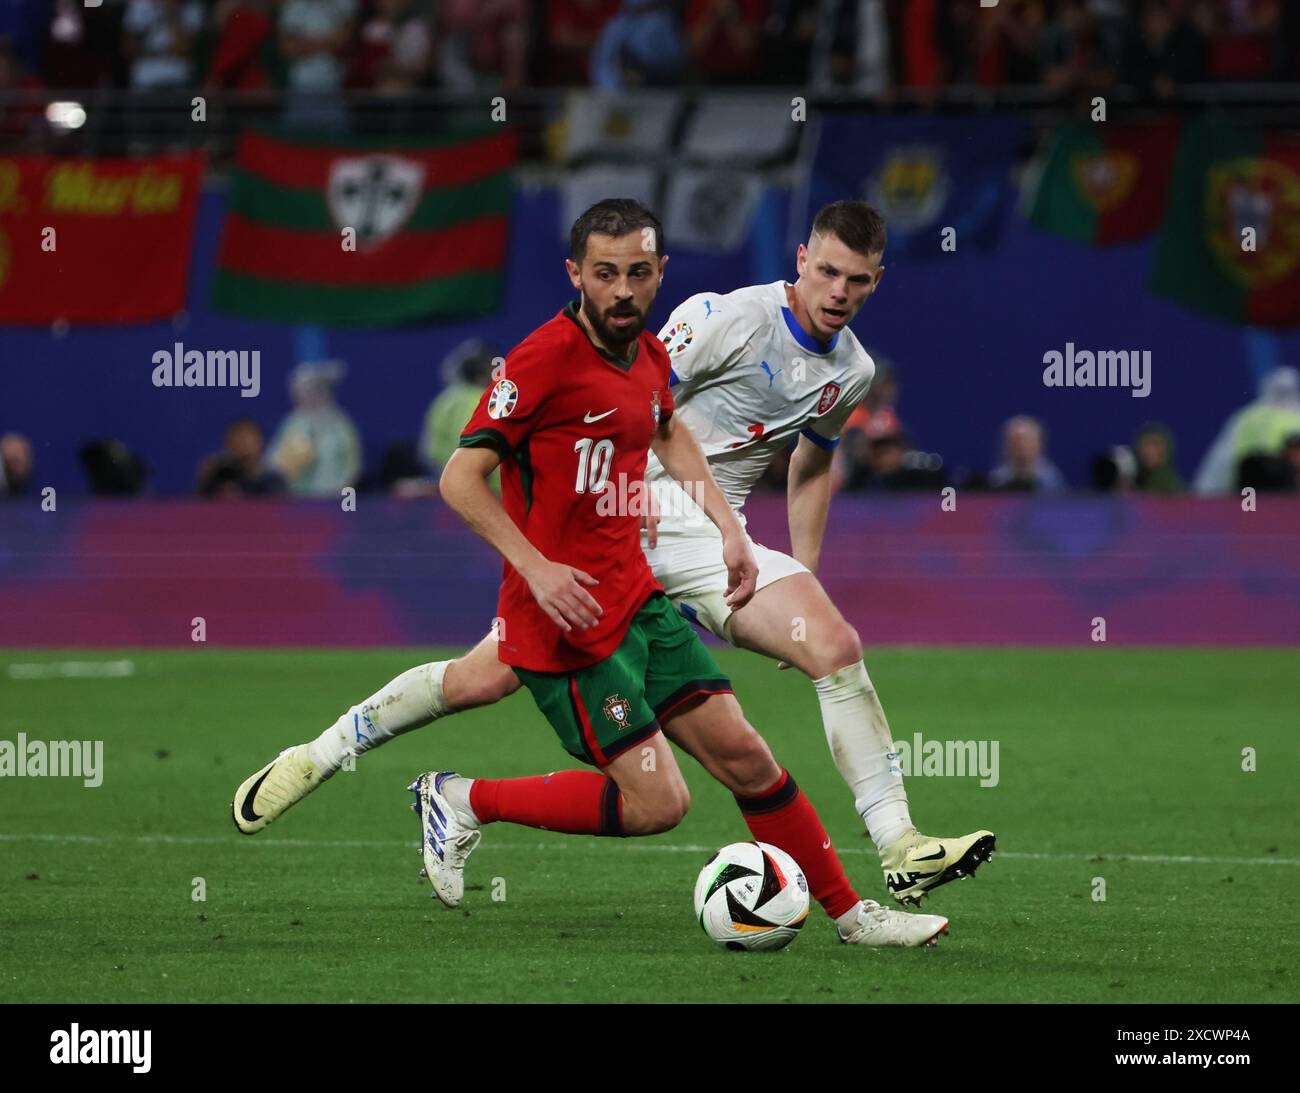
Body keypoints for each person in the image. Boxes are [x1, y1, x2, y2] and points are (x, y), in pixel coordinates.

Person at [233, 200, 995, 909]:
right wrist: (563, 533)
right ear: (800, 259)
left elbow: (808, 459)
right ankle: (329, 751)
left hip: (697, 528)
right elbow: (637, 402)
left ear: (876, 283)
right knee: (479, 680)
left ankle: (899, 842)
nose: (837, 290)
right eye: (826, 271)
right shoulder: (724, 317)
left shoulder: (851, 371)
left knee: (829, 643)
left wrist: (792, 572)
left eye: (856, 280)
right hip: (627, 514)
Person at [1193, 366, 1300, 495]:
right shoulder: (1247, 417)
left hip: (1281, 486)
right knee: (1254, 511)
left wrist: (1205, 489)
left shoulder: (1247, 416)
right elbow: (1223, 457)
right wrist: (1205, 491)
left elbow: (1221, 458)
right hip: (1250, 483)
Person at [267, 360, 363, 497]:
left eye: (317, 390)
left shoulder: (341, 423)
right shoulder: (294, 423)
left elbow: (352, 461)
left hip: (336, 495)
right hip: (301, 498)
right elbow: (277, 464)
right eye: (305, 391)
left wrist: (345, 488)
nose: (313, 396)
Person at [988, 415, 1066, 493]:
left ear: (1038, 445)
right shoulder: (997, 480)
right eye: (1015, 444)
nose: (1021, 450)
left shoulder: (1052, 480)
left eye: (1026, 443)